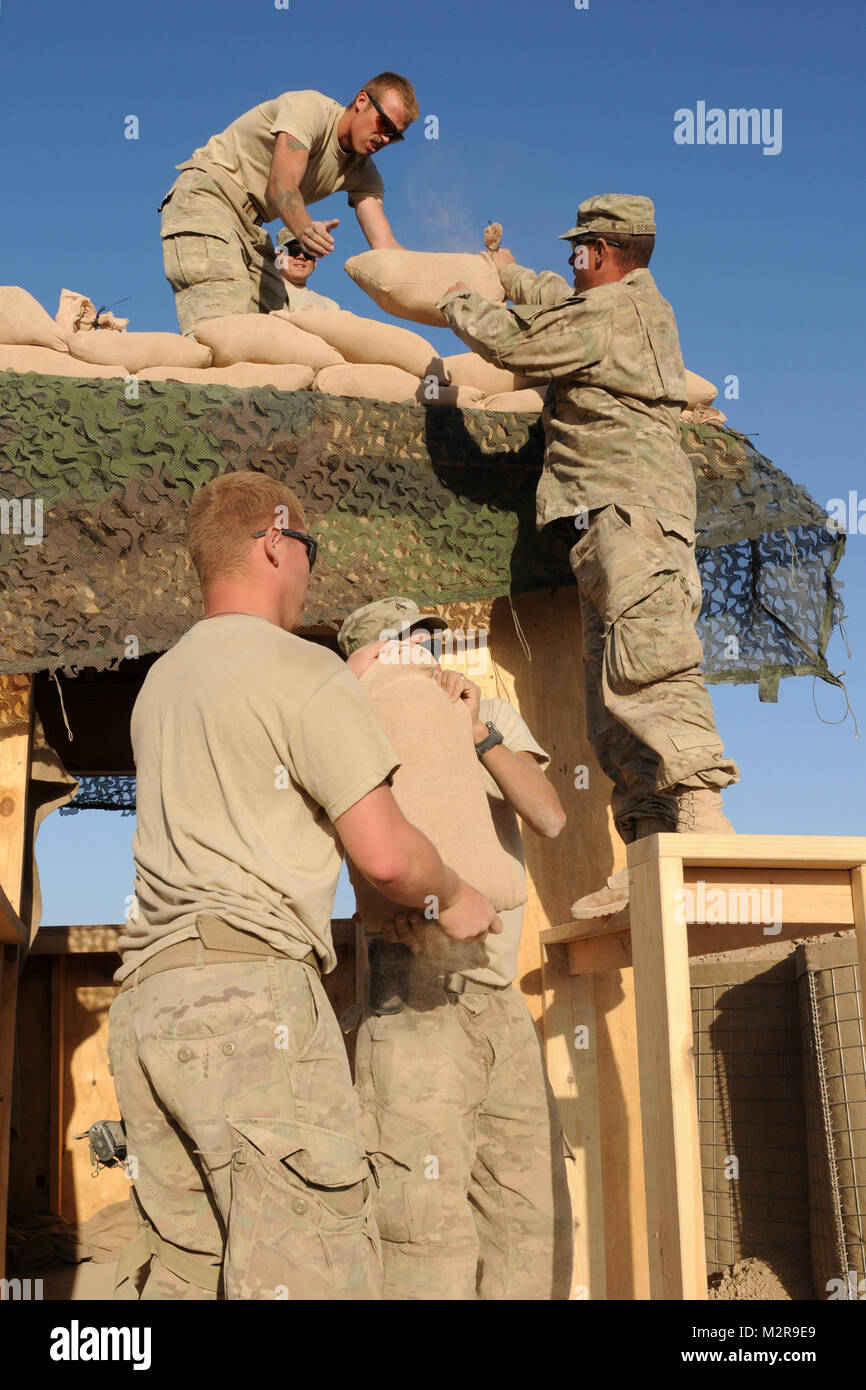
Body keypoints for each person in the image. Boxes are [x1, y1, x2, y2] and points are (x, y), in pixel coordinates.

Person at [108, 473, 500, 1301]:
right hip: (249, 1009)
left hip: (146, 1006)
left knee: (188, 1275)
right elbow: (387, 855)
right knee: (314, 1273)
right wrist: (458, 895)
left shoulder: (161, 685)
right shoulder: (303, 670)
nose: (311, 573)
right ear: (274, 543)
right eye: (310, 552)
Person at [436, 195, 739, 917]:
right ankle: (646, 851)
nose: (571, 263)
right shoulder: (615, 306)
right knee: (612, 699)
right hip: (609, 519)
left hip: (633, 513)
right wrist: (510, 276)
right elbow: (553, 304)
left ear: (603, 251)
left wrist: (459, 299)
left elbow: (518, 348)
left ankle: (702, 817)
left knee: (651, 665)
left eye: (578, 252)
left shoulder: (610, 315)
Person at [338, 597, 574, 1300]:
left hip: (495, 992)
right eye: (404, 642)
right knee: (421, 1221)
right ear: (372, 655)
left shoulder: (489, 714)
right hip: (406, 990)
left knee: (528, 1212)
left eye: (427, 639)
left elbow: (551, 817)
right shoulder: (353, 717)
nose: (424, 652)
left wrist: (477, 734)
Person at [159, 74, 416, 335]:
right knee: (221, 326)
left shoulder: (365, 175)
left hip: (250, 226)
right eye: (383, 123)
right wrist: (303, 227)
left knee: (283, 320)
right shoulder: (310, 110)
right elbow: (282, 184)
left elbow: (385, 247)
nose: (385, 138)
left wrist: (438, 283)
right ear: (362, 101)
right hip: (208, 196)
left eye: (394, 136)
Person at [274, 229, 340, 311]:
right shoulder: (262, 290)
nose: (301, 256)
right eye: (294, 251)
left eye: (308, 253)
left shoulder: (330, 306)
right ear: (278, 256)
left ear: (314, 263)